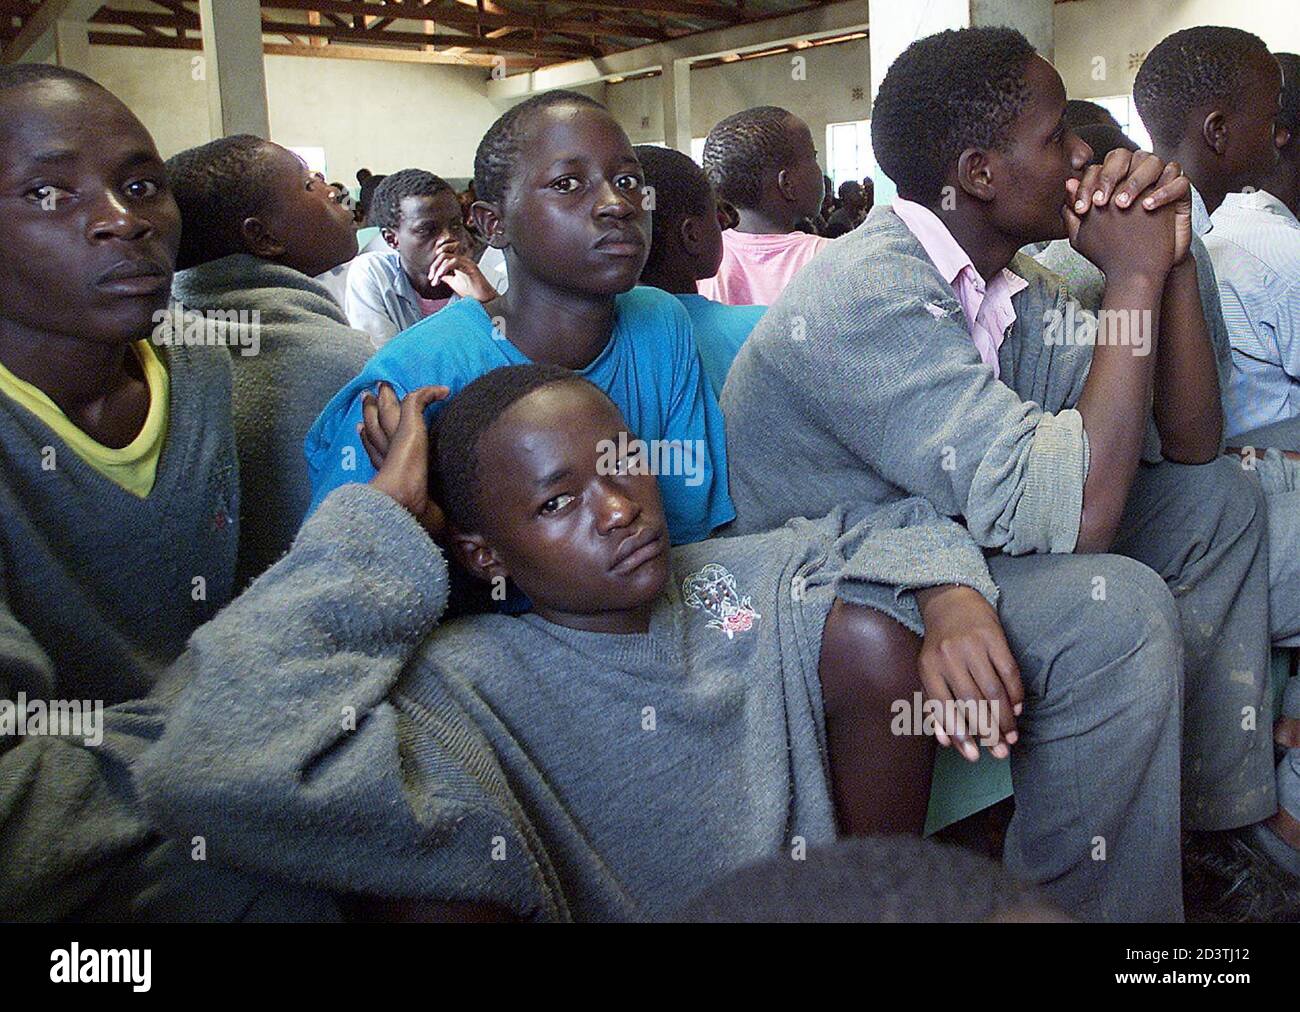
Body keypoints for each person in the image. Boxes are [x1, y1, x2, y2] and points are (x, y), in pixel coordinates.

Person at [721, 25, 1284, 921]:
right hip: (842, 574)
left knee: (1216, 505)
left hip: (948, 534)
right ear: (980, 173)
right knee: (1119, 609)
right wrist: (1131, 281)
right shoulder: (870, 289)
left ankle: (1209, 825)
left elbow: (1186, 444)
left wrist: (1167, 259)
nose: (1084, 157)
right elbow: (1079, 520)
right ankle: (1088, 911)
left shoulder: (1013, 287)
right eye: (1059, 136)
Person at [138, 366, 1020, 922]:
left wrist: (952, 601)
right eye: (558, 503)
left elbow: (881, 525)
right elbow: (215, 760)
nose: (619, 506)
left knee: (870, 633)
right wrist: (380, 523)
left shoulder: (725, 578)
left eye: (623, 460)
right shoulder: (463, 684)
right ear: (484, 553)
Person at [0, 65, 333, 921]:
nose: (123, 221)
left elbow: (237, 622)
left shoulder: (198, 366)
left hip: (203, 790)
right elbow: (24, 816)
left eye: (142, 184)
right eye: (46, 192)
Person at [304, 91, 733, 547]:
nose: (617, 204)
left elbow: (685, 540)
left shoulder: (661, 323)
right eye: (567, 184)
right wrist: (425, 529)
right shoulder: (412, 379)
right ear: (493, 225)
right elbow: (331, 584)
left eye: (627, 181)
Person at [166, 134, 373, 585]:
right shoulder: (344, 365)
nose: (328, 186)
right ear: (263, 237)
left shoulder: (170, 340)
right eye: (307, 183)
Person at [633, 144, 765, 396]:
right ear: (691, 235)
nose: (725, 221)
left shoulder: (593, 340)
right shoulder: (757, 330)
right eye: (714, 213)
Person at [344, 169, 497, 348]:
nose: (448, 237)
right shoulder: (374, 273)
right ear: (391, 239)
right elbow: (382, 365)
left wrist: (490, 305)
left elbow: (513, 356)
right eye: (426, 230)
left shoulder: (488, 282)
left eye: (455, 225)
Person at [697, 106, 830, 305]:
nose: (819, 170)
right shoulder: (827, 256)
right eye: (813, 156)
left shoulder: (707, 257)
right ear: (787, 184)